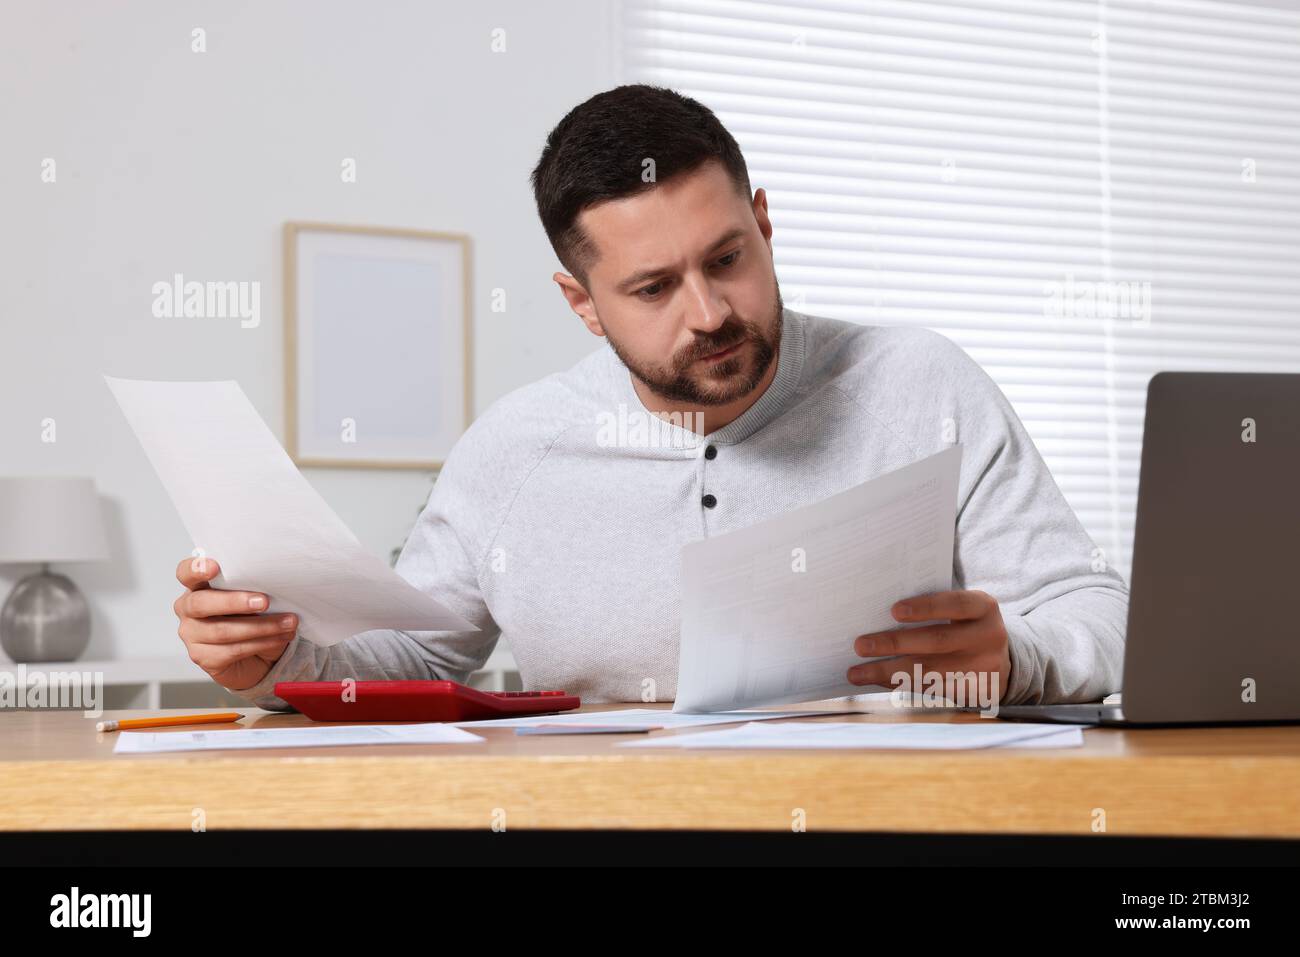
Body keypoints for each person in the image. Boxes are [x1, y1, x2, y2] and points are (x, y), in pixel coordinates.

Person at [172, 84, 1128, 711]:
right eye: (653, 288)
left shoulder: (922, 384)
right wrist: (273, 662)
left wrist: (1018, 656)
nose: (711, 313)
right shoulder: (514, 448)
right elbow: (420, 664)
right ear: (582, 304)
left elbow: (1103, 616)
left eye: (727, 259)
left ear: (762, 222)